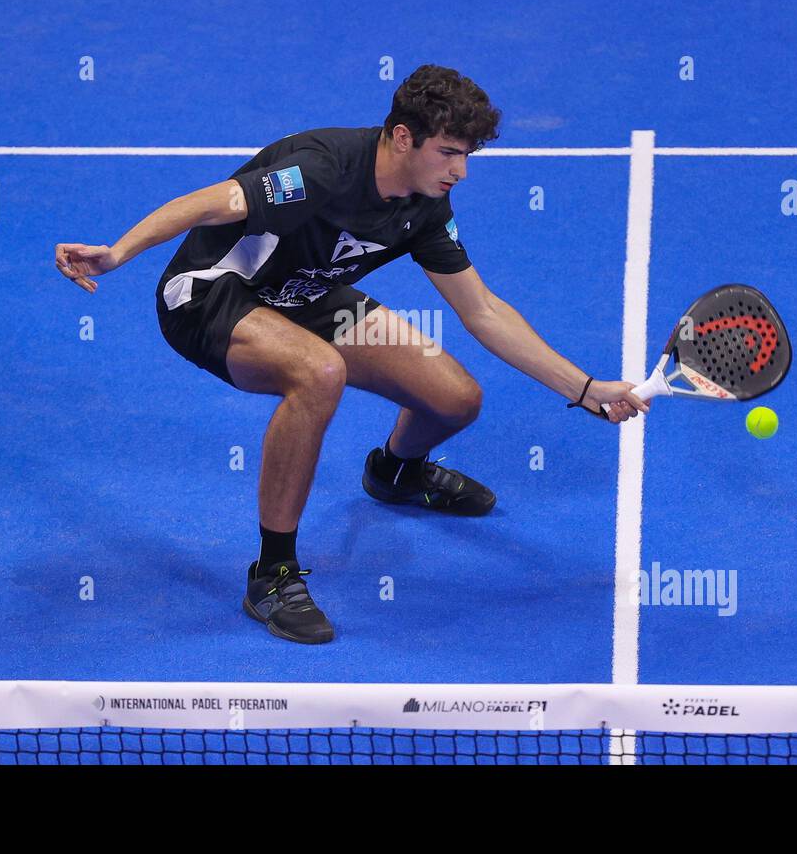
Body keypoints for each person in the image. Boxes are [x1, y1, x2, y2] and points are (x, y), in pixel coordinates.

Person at [54, 64, 648, 645]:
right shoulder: (322, 168)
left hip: (306, 295)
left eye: (468, 155)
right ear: (402, 137)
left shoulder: (424, 205)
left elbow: (482, 311)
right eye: (448, 153)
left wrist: (585, 388)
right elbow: (213, 202)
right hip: (210, 296)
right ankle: (273, 573)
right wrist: (117, 254)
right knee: (319, 373)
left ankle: (395, 471)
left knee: (456, 398)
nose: (461, 171)